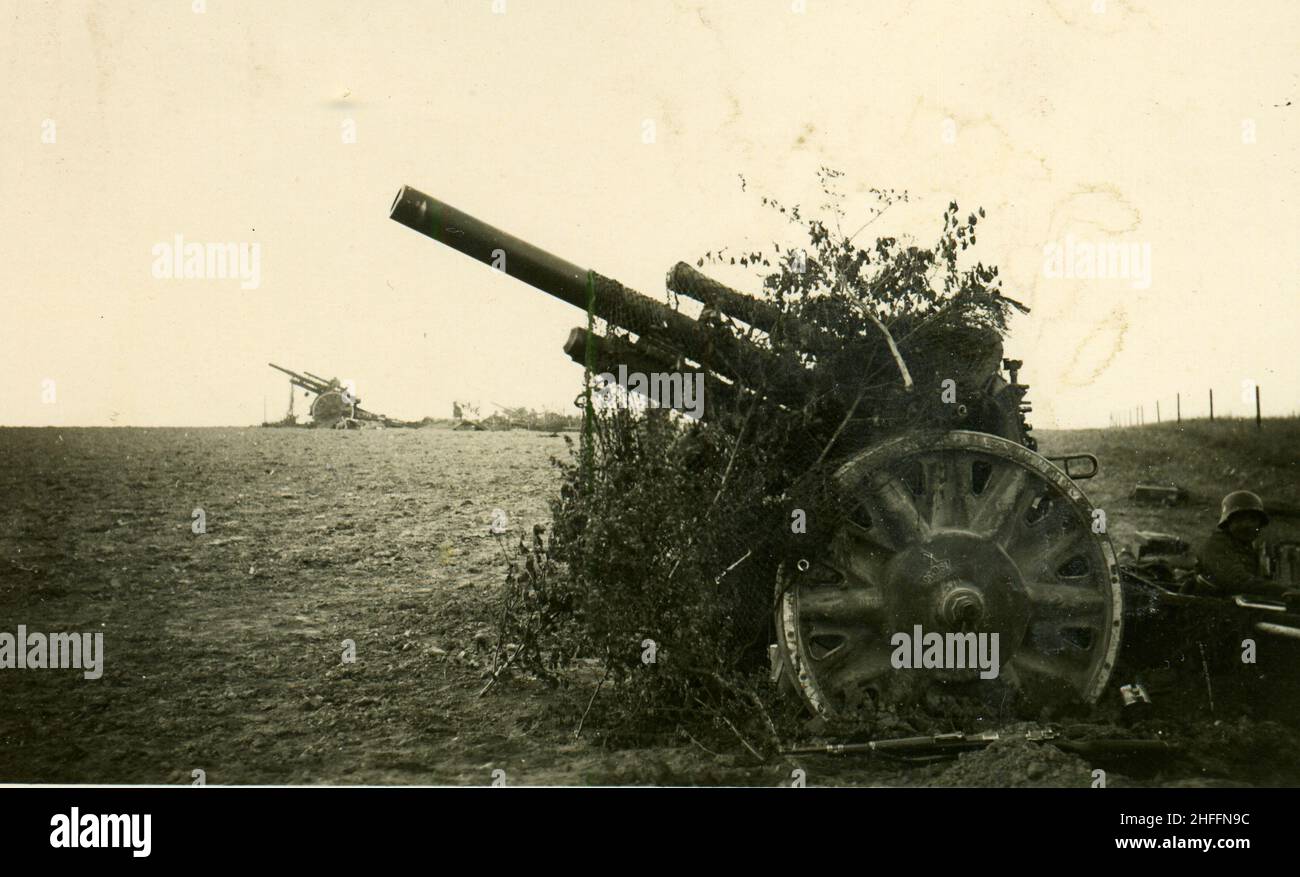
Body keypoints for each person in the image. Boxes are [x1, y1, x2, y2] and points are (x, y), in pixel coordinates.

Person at [1196, 490, 1287, 599]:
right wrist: (1284, 591)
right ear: (1227, 523)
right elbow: (1236, 580)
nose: (1246, 525)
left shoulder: (1248, 549)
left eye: (1253, 520)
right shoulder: (1216, 545)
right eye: (1239, 519)